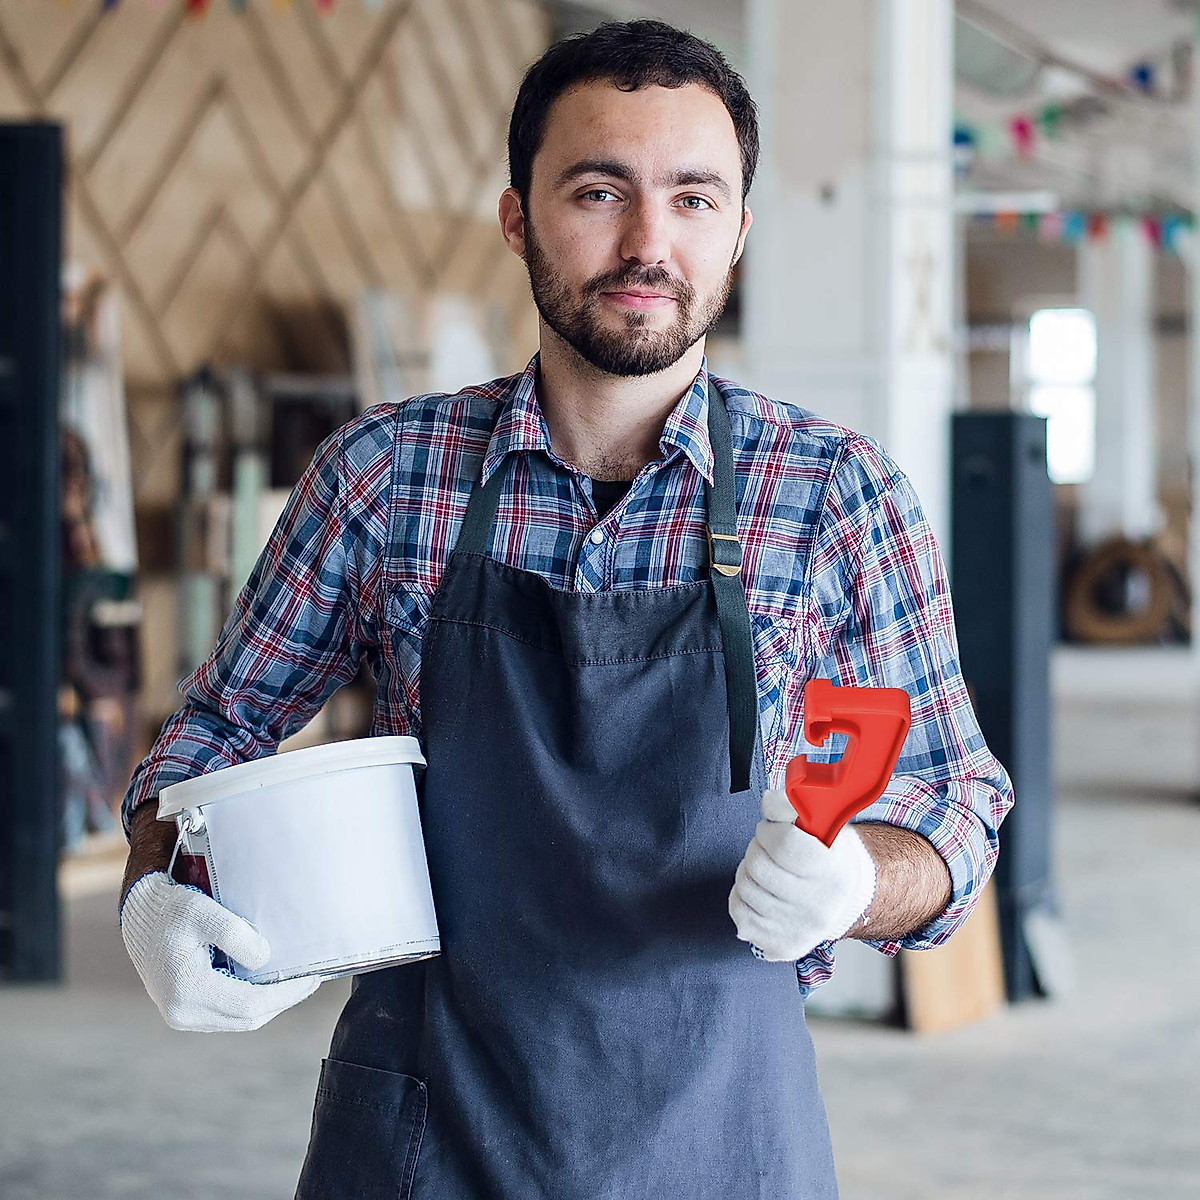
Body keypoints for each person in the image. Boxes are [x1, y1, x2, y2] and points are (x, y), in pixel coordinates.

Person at [118, 19, 1014, 1198]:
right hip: (427, 1132)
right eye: (601, 190)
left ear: (740, 231)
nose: (650, 242)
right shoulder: (385, 476)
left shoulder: (838, 499)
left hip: (723, 1138)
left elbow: (958, 805)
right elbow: (212, 739)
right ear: (517, 217)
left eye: (695, 199)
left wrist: (858, 882)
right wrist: (159, 889)